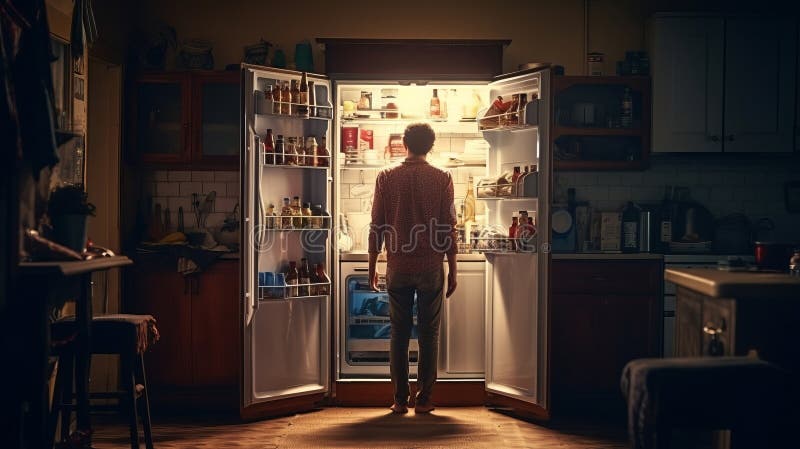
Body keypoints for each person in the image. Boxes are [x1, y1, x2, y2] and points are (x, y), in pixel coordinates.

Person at [368, 123, 458, 415]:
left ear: (403, 142)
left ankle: (399, 400)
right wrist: (453, 267)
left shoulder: (386, 176)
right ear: (430, 146)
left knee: (399, 333)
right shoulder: (442, 177)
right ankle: (424, 400)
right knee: (429, 334)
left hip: (398, 264)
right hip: (432, 264)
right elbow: (448, 227)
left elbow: (377, 224)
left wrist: (373, 266)